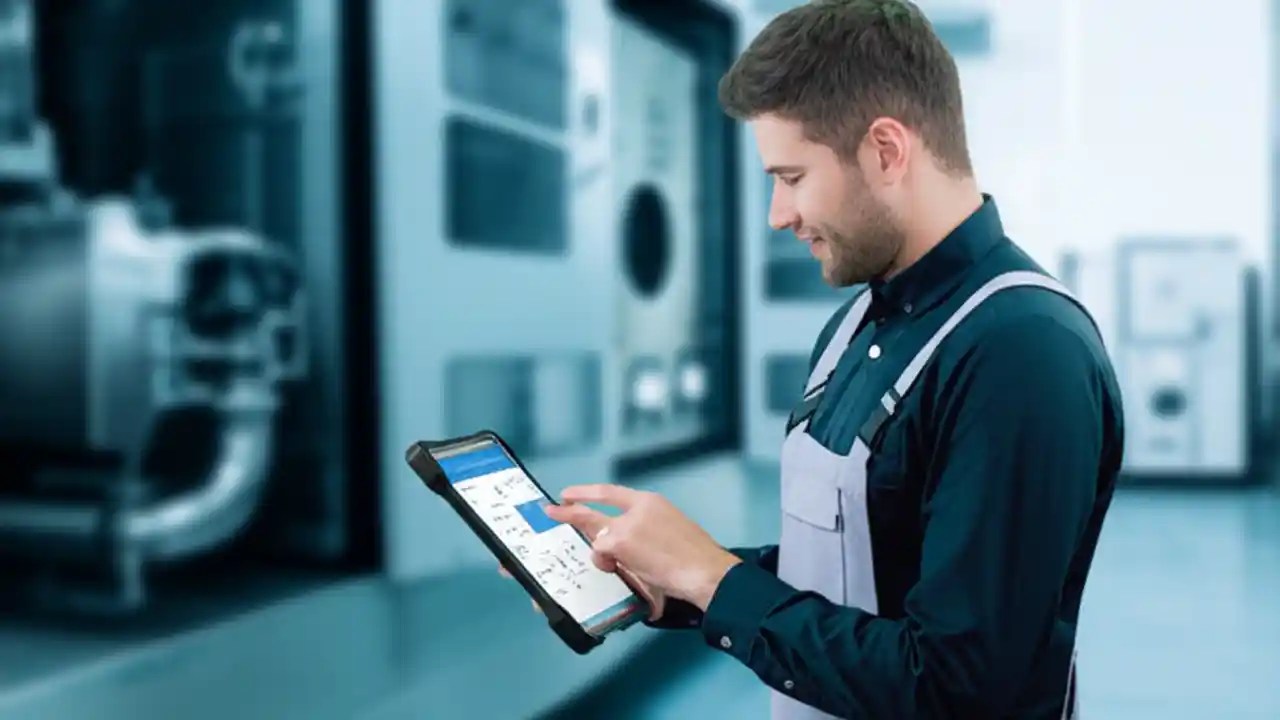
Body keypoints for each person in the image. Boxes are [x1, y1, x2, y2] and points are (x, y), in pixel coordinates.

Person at [532, 1, 1124, 718]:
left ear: (885, 151)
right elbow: (859, 578)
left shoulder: (1021, 352)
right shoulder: (854, 326)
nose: (777, 215)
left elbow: (959, 687)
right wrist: (671, 576)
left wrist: (717, 580)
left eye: (792, 177)